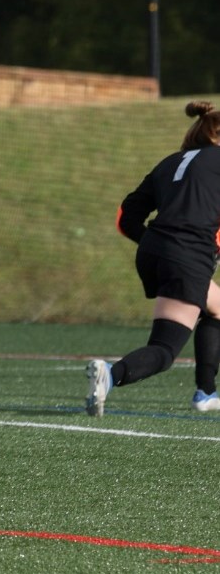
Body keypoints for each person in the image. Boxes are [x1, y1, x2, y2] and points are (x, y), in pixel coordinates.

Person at [86, 101, 220, 416]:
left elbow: (126, 218)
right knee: (164, 350)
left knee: (217, 307)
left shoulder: (170, 162)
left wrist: (158, 243)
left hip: (154, 251)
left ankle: (206, 392)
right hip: (186, 255)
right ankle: (110, 374)